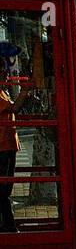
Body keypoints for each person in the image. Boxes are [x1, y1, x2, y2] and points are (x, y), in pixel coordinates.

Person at [0, 77, 27, 232]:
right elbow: (13, 108)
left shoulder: (2, 92)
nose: (5, 76)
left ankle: (6, 224)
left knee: (5, 186)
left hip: (7, 143)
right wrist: (24, 91)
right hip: (3, 144)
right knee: (4, 188)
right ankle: (8, 225)